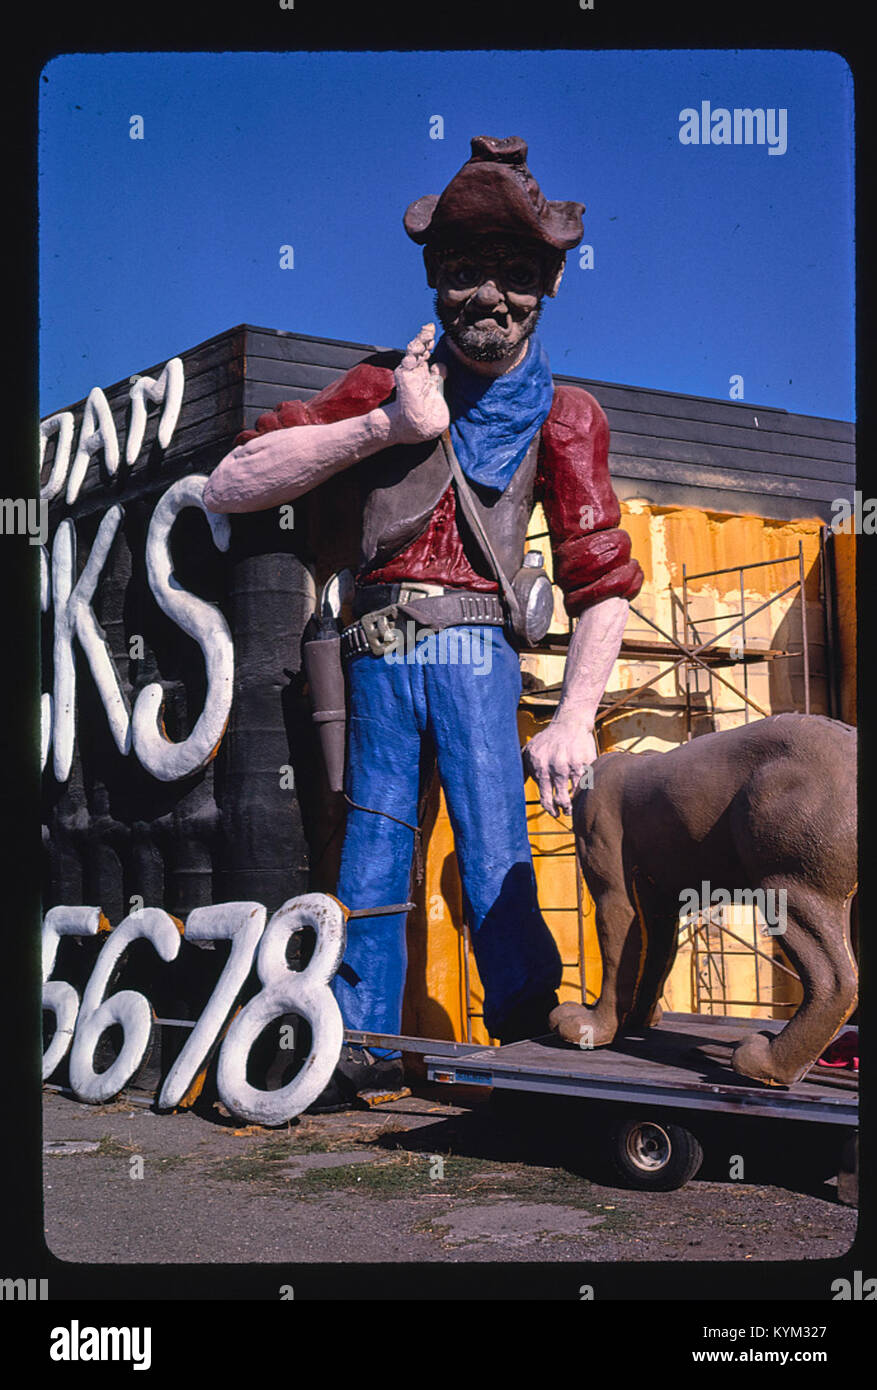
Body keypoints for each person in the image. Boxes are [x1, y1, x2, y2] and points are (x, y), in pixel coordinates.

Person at [204, 136, 643, 1107]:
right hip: (371, 654)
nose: (486, 295)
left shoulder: (565, 417)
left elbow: (598, 575)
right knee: (370, 843)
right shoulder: (379, 384)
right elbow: (231, 484)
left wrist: (575, 715)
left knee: (496, 841)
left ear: (549, 283)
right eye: (460, 272)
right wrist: (385, 428)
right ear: (434, 279)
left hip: (480, 651)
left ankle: (526, 1029)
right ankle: (350, 1040)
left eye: (514, 273)